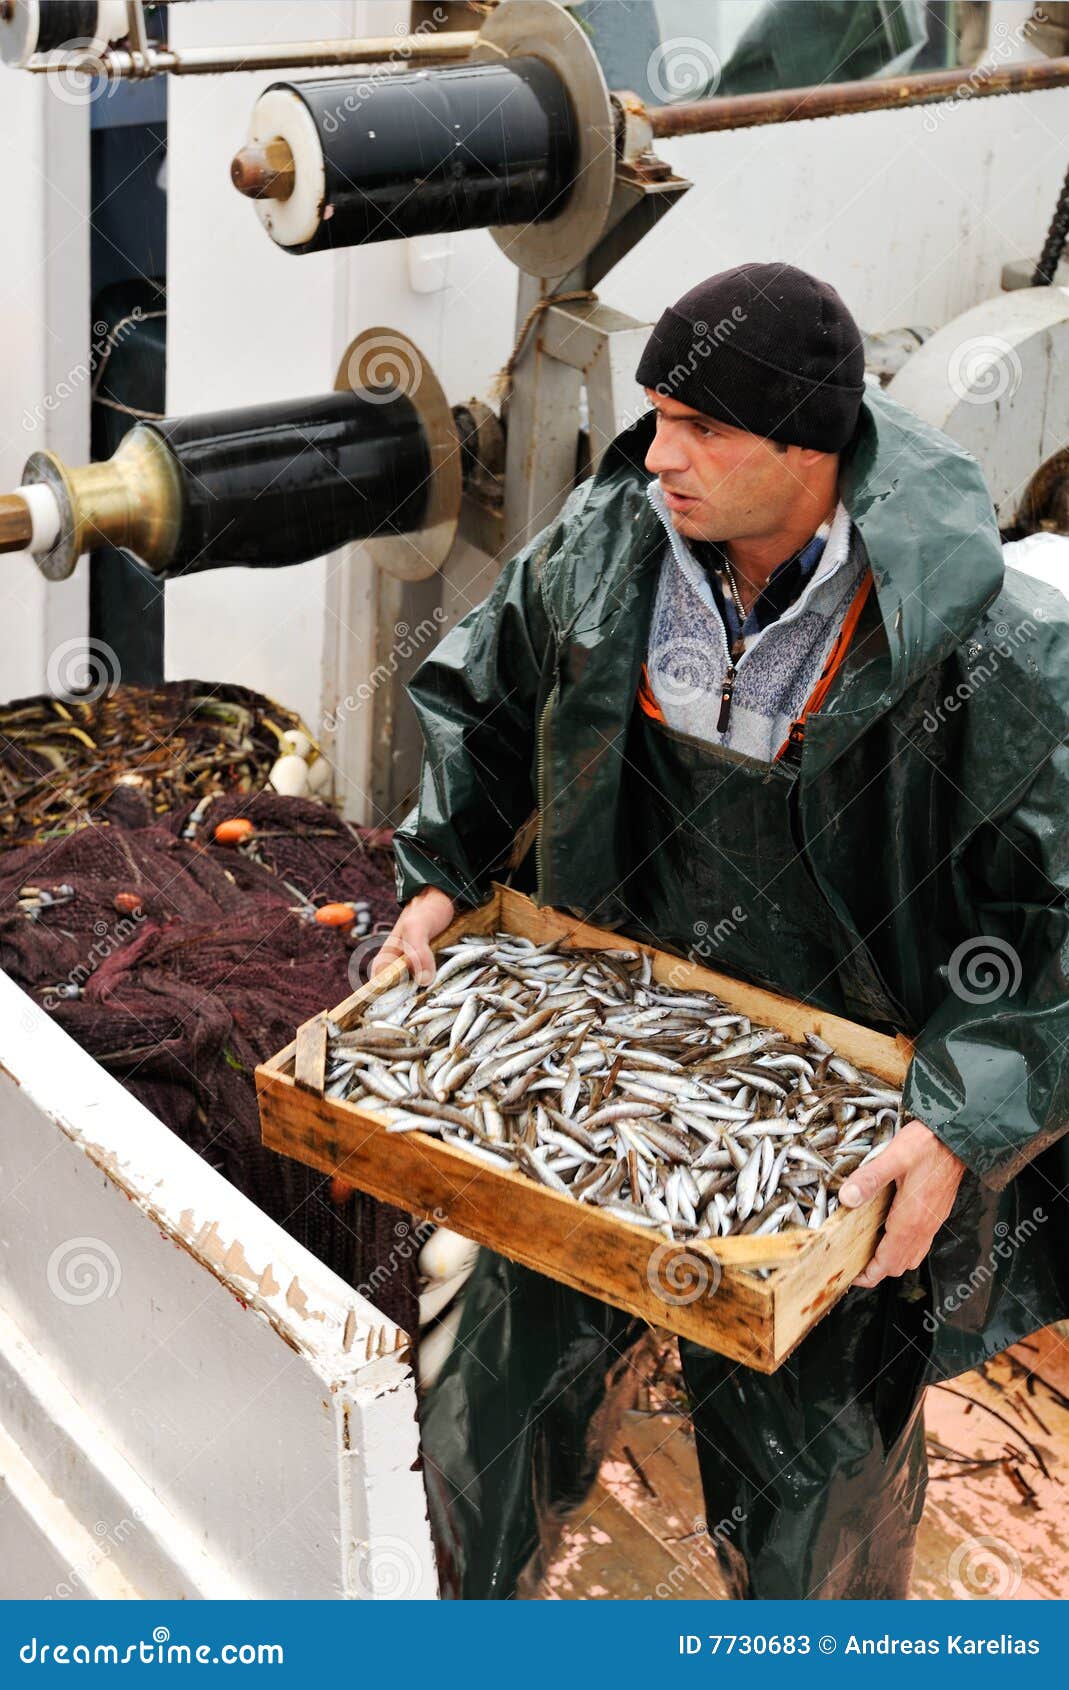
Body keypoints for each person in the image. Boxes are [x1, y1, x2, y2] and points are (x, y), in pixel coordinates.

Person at [372, 263, 1069, 1599]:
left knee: (815, 1498)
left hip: (841, 1113)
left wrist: (959, 1119)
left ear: (810, 448)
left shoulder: (992, 653)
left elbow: (1053, 934)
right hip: (599, 1054)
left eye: (702, 431)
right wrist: (439, 874)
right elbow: (484, 703)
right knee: (485, 1422)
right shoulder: (604, 546)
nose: (658, 456)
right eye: (654, 418)